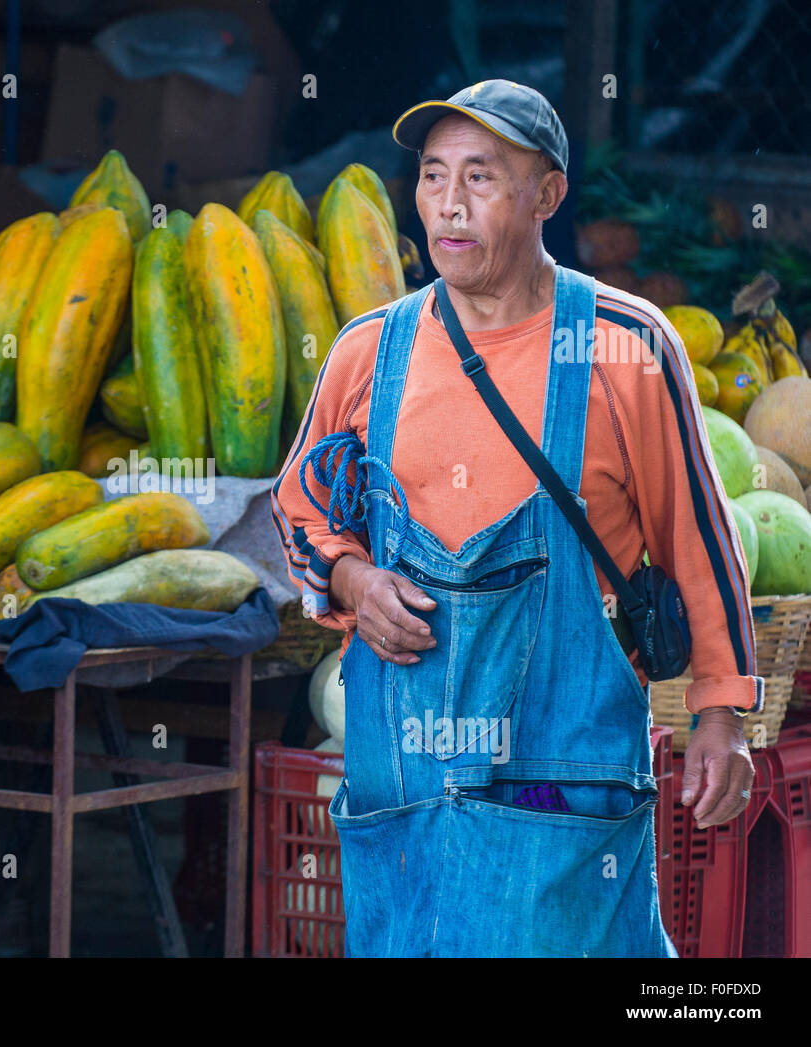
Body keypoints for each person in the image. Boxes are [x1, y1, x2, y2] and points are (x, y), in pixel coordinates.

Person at [271, 80, 759, 958]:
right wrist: (352, 577)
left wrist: (722, 712)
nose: (448, 205)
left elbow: (697, 540)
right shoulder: (368, 353)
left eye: (482, 178)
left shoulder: (625, 348)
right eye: (431, 175)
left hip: (557, 793)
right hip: (406, 790)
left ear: (547, 194)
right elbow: (300, 503)